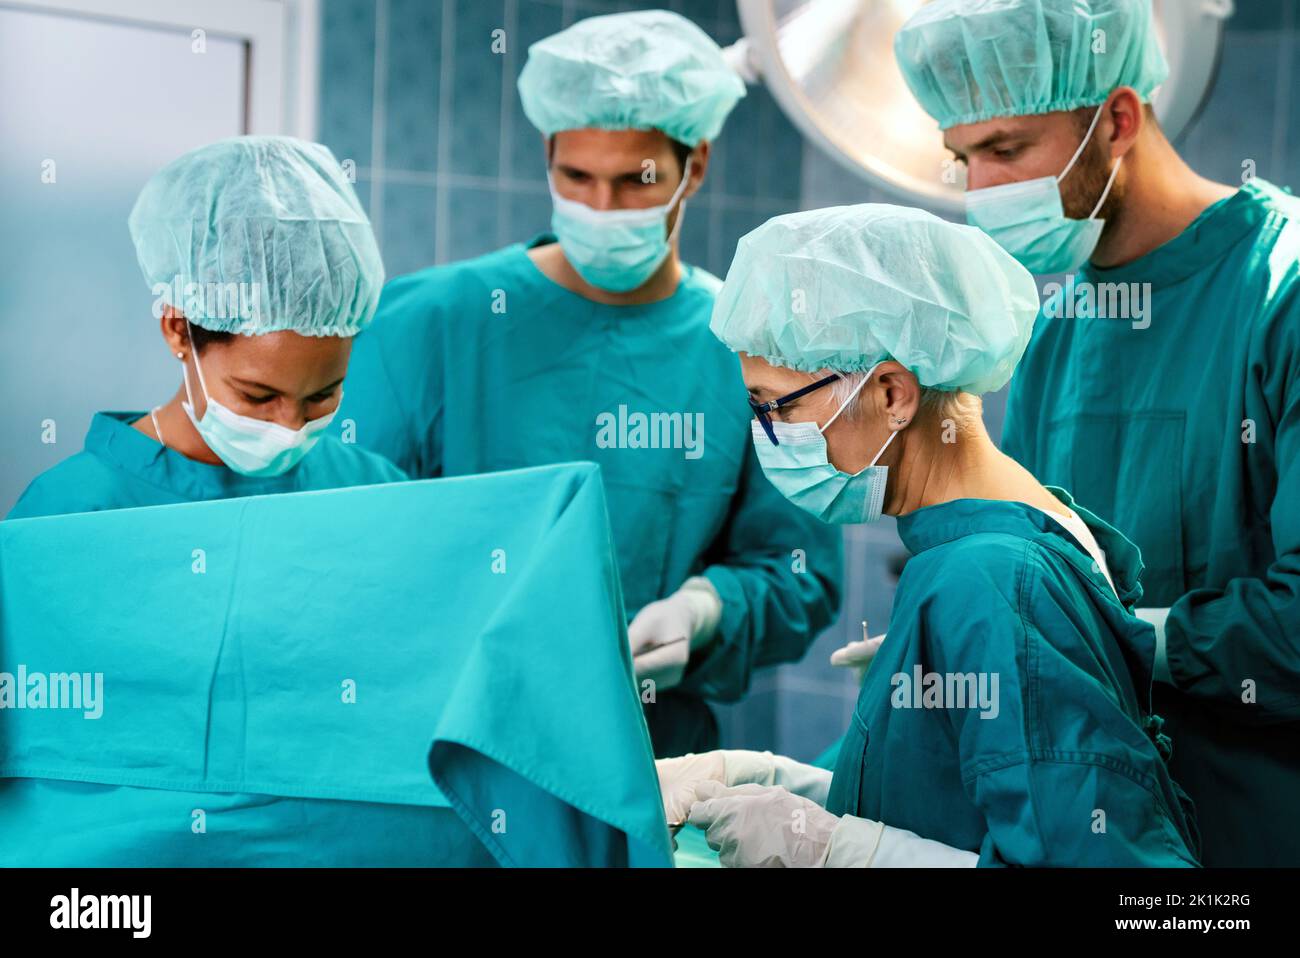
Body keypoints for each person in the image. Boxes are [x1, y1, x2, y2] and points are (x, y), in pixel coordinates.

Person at [334, 10, 842, 757]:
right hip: (447, 747)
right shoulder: (433, 322)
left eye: (634, 182)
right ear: (548, 154)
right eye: (577, 177)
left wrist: (709, 610)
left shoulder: (751, 349)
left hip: (649, 756)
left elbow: (800, 575)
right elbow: (348, 539)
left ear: (693, 167)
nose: (601, 209)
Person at [657, 204, 1199, 867]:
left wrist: (842, 852)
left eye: (778, 405)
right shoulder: (996, 536)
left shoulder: (994, 579)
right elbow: (965, 812)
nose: (768, 434)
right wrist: (780, 783)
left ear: (891, 393)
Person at [894, 0, 1300, 866]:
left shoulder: (1281, 294)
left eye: (1006, 149)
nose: (982, 192)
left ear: (1117, 119)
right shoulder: (1055, 330)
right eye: (962, 158)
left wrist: (1119, 640)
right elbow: (1037, 571)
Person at [6, 135, 404, 520]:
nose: (289, 429)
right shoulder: (72, 511)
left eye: (321, 396)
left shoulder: (375, 490)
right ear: (178, 329)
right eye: (258, 396)